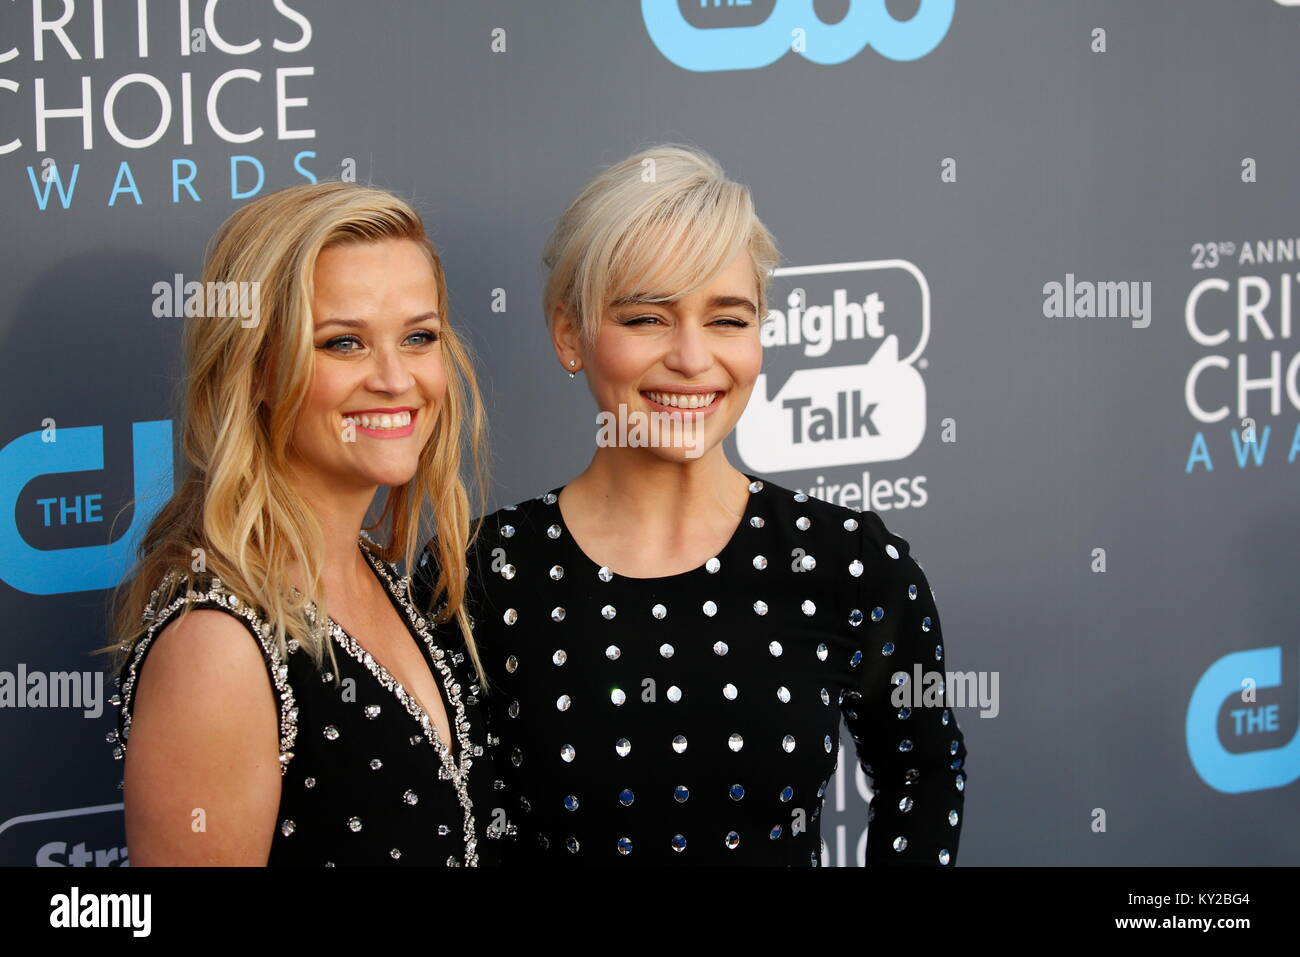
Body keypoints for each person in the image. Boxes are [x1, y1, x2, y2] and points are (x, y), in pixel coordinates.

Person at [416, 143, 967, 866]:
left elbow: (923, 774)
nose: (692, 358)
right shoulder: (480, 570)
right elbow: (452, 826)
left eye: (728, 320)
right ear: (569, 333)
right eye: (647, 318)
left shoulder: (850, 562)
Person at [104, 181, 504, 866]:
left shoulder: (391, 581)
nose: (394, 377)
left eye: (418, 336)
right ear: (256, 368)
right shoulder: (217, 648)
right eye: (343, 342)